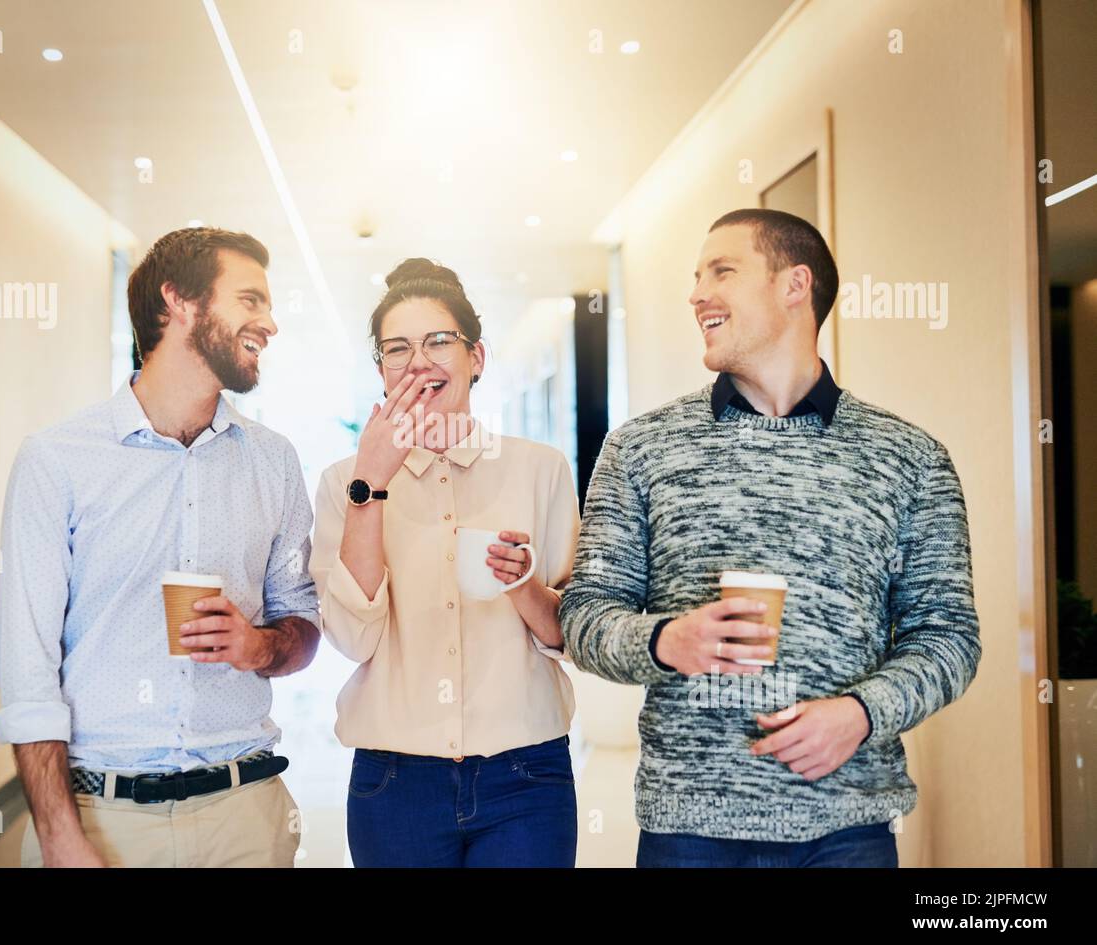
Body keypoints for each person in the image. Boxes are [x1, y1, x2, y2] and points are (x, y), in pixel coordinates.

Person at [560, 208, 980, 867]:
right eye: (696, 276)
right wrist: (665, 640)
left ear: (795, 285)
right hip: (687, 829)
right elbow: (584, 616)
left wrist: (863, 712)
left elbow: (948, 636)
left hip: (849, 827)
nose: (698, 293)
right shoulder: (639, 450)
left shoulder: (912, 459)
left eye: (723, 271)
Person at [0, 227, 320, 868]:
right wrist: (60, 837)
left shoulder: (274, 462)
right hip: (104, 820)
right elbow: (27, 668)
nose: (271, 324)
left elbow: (302, 622)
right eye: (250, 300)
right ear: (177, 301)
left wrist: (259, 646)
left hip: (245, 814)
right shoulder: (57, 461)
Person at [309, 258, 581, 867]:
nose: (419, 362)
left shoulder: (540, 470)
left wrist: (523, 586)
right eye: (397, 348)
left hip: (527, 775)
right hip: (394, 783)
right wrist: (370, 488)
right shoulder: (343, 483)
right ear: (380, 370)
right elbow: (352, 638)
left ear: (476, 358)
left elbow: (573, 633)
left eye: (439, 341)